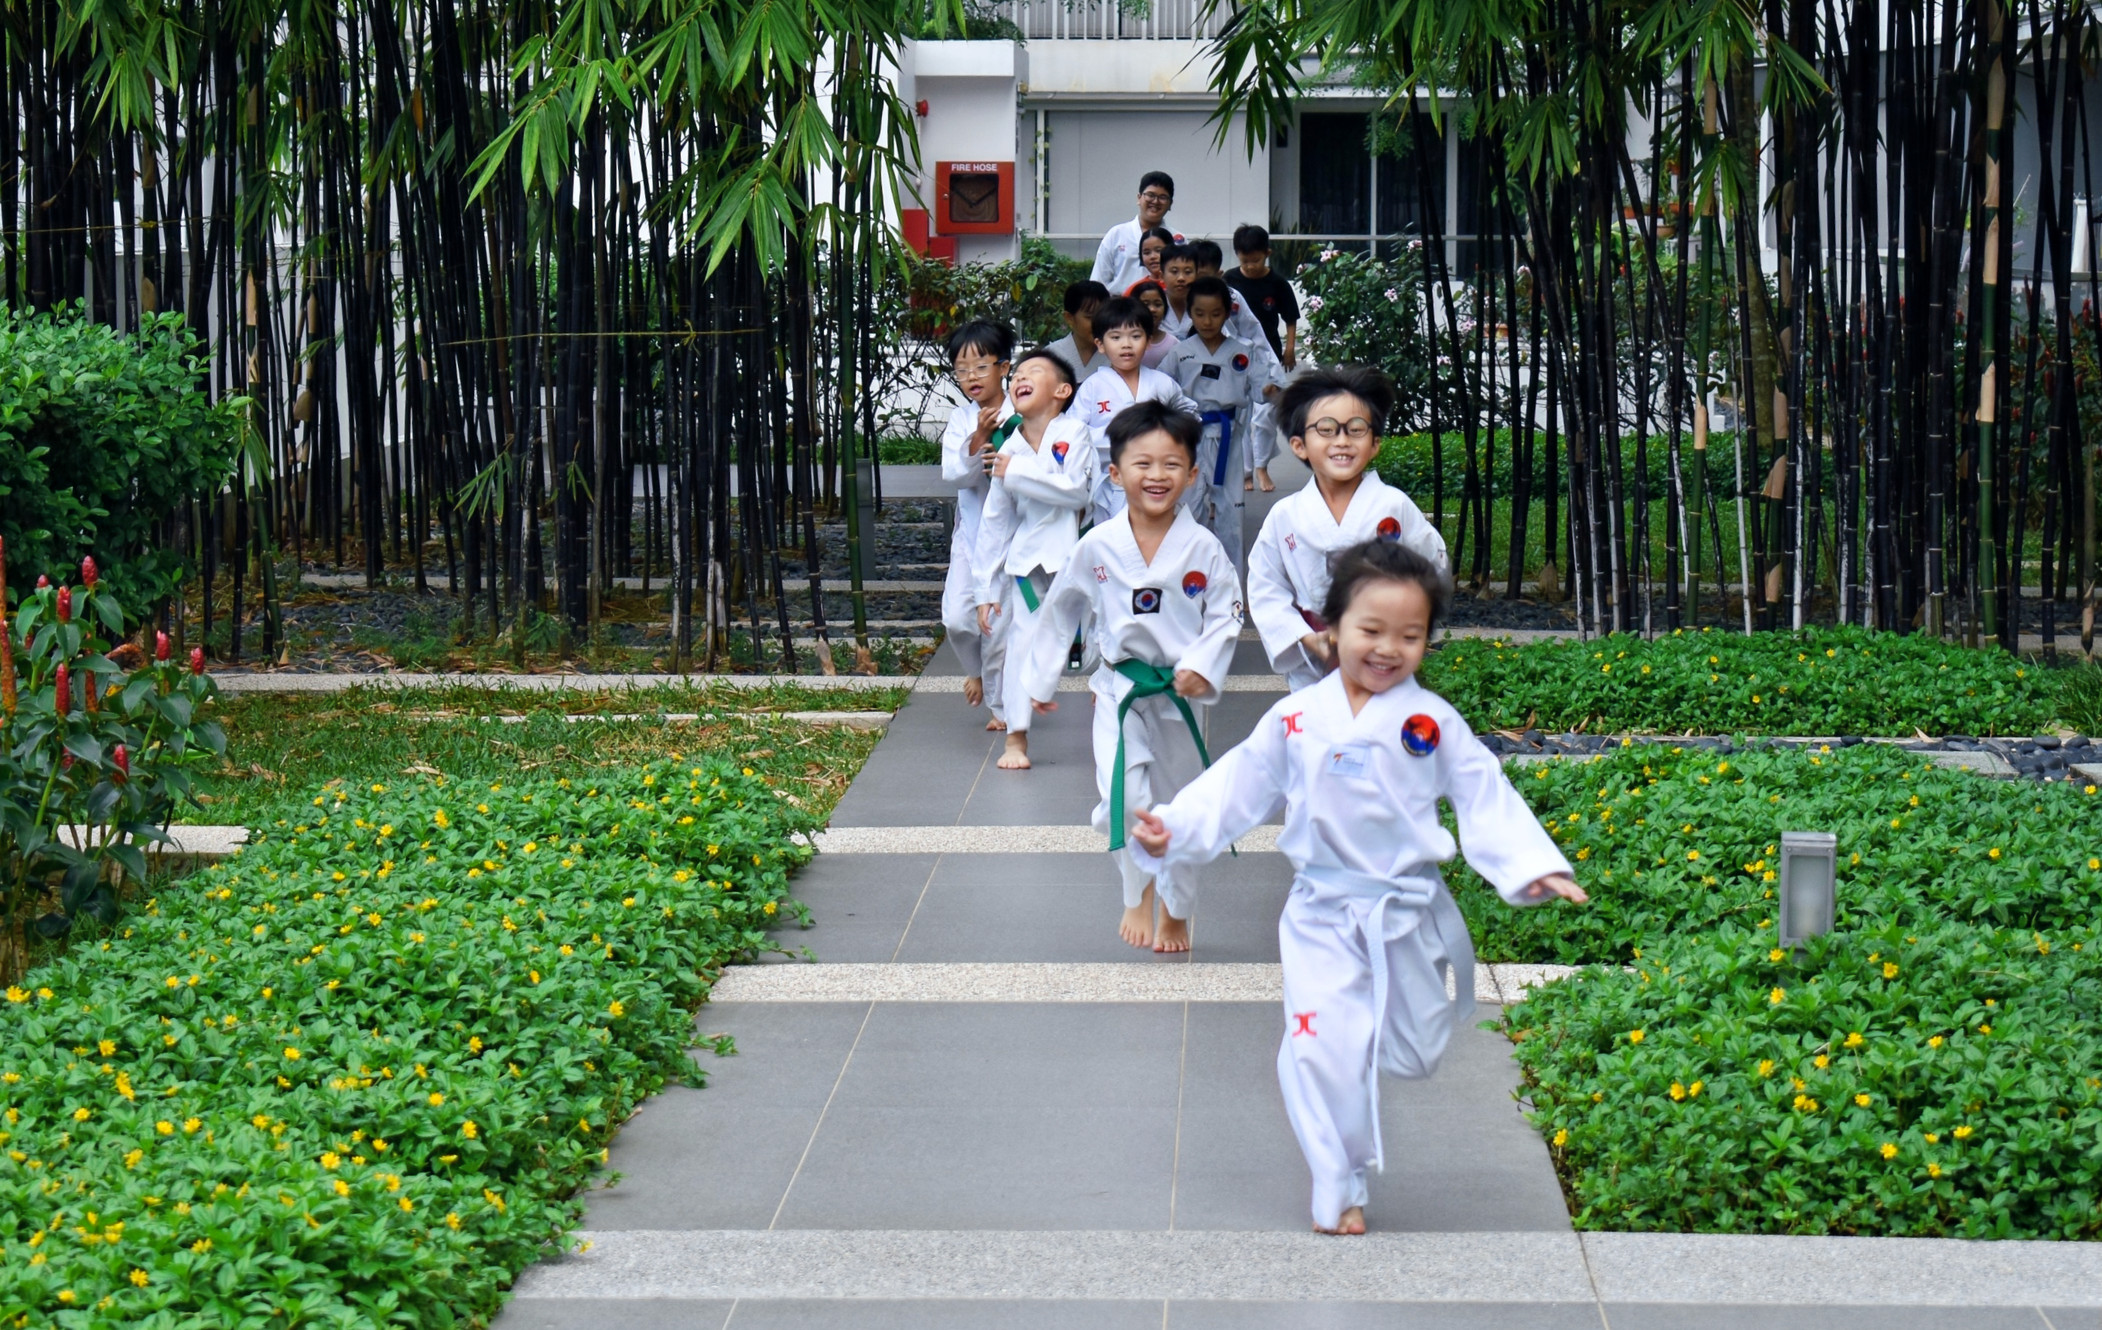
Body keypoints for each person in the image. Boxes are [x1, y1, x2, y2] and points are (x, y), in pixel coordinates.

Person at [1131, 539, 1586, 1235]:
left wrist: (1532, 864)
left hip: (1406, 913)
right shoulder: (1294, 719)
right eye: (1370, 631)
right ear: (1331, 630)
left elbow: (1480, 789)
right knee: (1321, 1046)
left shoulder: (1429, 723)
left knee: (1413, 1046)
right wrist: (1172, 827)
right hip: (1320, 911)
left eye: (1409, 636)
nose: (1387, 649)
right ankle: (1335, 1181)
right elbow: (1239, 784)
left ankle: (1352, 1093)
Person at [1022, 401, 1240, 954]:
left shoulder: (1204, 548)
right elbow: (1061, 610)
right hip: (1118, 688)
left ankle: (1177, 908)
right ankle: (1135, 889)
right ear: (1115, 474)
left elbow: (1226, 616)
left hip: (1180, 694)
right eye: (1143, 464)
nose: (1157, 476)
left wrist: (1200, 667)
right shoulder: (1097, 544)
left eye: (1172, 464)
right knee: (1124, 796)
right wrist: (1040, 679)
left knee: (1179, 807)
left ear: (1192, 475)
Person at [1246, 366, 1447, 690]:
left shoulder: (1393, 507)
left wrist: (1404, 625)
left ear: (1375, 443)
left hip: (1383, 652)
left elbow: (1433, 567)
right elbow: (1264, 585)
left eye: (1355, 429)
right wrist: (1304, 636)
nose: (1342, 441)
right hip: (1314, 658)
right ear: (1299, 445)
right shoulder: (1285, 515)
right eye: (1326, 429)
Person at [974, 348, 1095, 771]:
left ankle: (1115, 706)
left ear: (1062, 390)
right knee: (1020, 645)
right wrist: (984, 590)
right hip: (1025, 565)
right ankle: (1016, 737)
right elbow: (995, 524)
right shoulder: (1010, 447)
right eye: (1017, 375)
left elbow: (1075, 491)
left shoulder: (1076, 434)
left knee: (1095, 647)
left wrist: (1017, 472)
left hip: (1075, 563)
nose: (1019, 378)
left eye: (1034, 372)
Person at [1158, 276, 1282, 568]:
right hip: (1189, 438)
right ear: (1190, 312)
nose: (1207, 321)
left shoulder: (1244, 351)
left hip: (1228, 438)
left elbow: (1262, 390)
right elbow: (1161, 390)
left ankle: (1232, 592)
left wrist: (1271, 391)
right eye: (1199, 313)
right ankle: (1187, 580)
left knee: (1231, 515)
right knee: (1188, 509)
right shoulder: (1179, 352)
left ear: (1227, 313)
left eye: (1215, 314)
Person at [938, 319, 1018, 727]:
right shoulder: (960, 419)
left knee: (1000, 624)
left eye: (980, 367)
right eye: (961, 369)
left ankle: (1000, 708)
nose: (971, 377)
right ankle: (974, 670)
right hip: (971, 535)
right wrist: (978, 440)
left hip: (1013, 536)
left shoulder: (1024, 410)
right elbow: (954, 474)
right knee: (957, 616)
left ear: (1004, 367)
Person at [1073, 297, 1202, 523]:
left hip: (1157, 480)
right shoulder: (1092, 387)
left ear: (1148, 340)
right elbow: (1074, 433)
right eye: (1115, 337)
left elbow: (1190, 416)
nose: (1126, 344)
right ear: (1100, 344)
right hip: (1110, 483)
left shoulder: (1163, 383)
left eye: (1135, 336)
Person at [1222, 228, 1300, 491]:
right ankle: (1245, 473)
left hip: (1268, 355)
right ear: (1237, 256)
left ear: (1267, 254)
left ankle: (1262, 467)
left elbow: (1290, 318)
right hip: (1235, 358)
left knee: (1265, 415)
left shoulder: (1277, 283)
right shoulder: (1229, 282)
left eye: (1255, 260)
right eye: (1245, 261)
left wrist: (1290, 349)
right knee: (1241, 414)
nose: (1250, 266)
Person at [1090, 172, 1178, 294]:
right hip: (1120, 308)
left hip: (1164, 307)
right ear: (1139, 198)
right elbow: (1098, 282)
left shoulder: (1178, 239)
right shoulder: (1116, 234)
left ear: (1170, 204)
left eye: (1163, 197)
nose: (1156, 201)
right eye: (1150, 195)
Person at [1044, 280, 1111, 382]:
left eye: (1103, 316)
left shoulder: (1116, 354)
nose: (1099, 323)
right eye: (1090, 317)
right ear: (1069, 317)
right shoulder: (1051, 355)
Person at [1129, 280, 1180, 369]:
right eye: (1145, 304)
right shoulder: (1125, 342)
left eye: (1157, 304)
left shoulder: (1173, 344)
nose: (1152, 309)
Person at [1154, 244, 1201, 339]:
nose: (1181, 278)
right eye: (1174, 272)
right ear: (1161, 276)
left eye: (1188, 272)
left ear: (1197, 275)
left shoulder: (1204, 304)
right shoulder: (1153, 305)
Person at [1129, 226, 1177, 293]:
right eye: (1147, 253)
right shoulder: (1134, 290)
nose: (1152, 257)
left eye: (1158, 250)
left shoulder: (1181, 285)